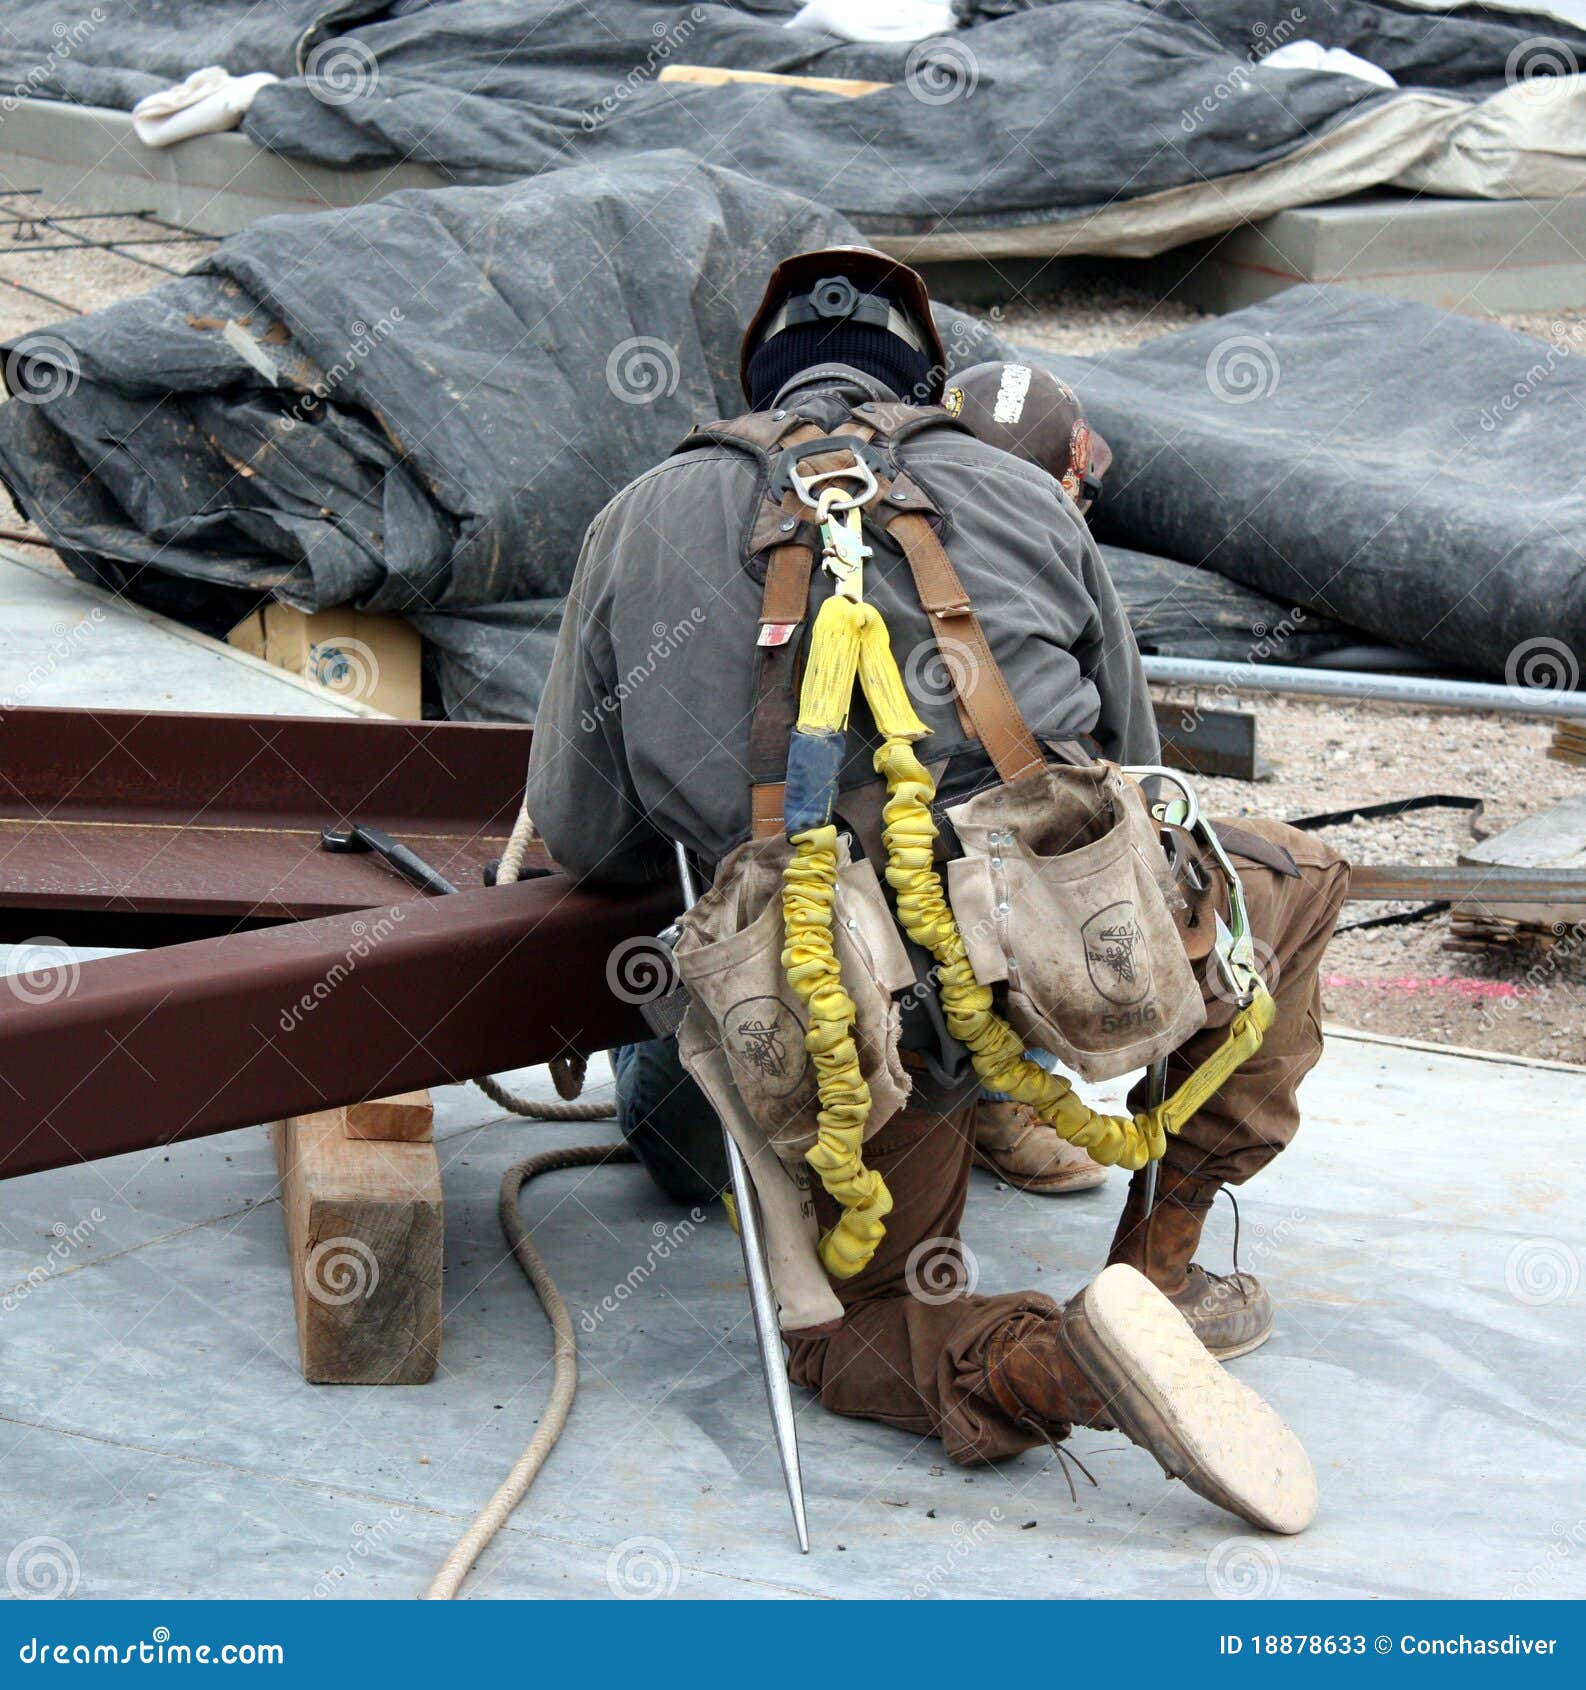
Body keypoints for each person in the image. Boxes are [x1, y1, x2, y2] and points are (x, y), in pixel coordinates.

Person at [524, 247, 1347, 1532]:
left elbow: (583, 835)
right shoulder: (1023, 498)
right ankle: (1159, 1269)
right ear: (926, 380)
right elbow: (1129, 775)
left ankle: (1063, 1360)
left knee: (842, 1324)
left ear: (751, 385)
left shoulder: (637, 517)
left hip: (837, 1023)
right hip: (1067, 957)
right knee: (1289, 877)